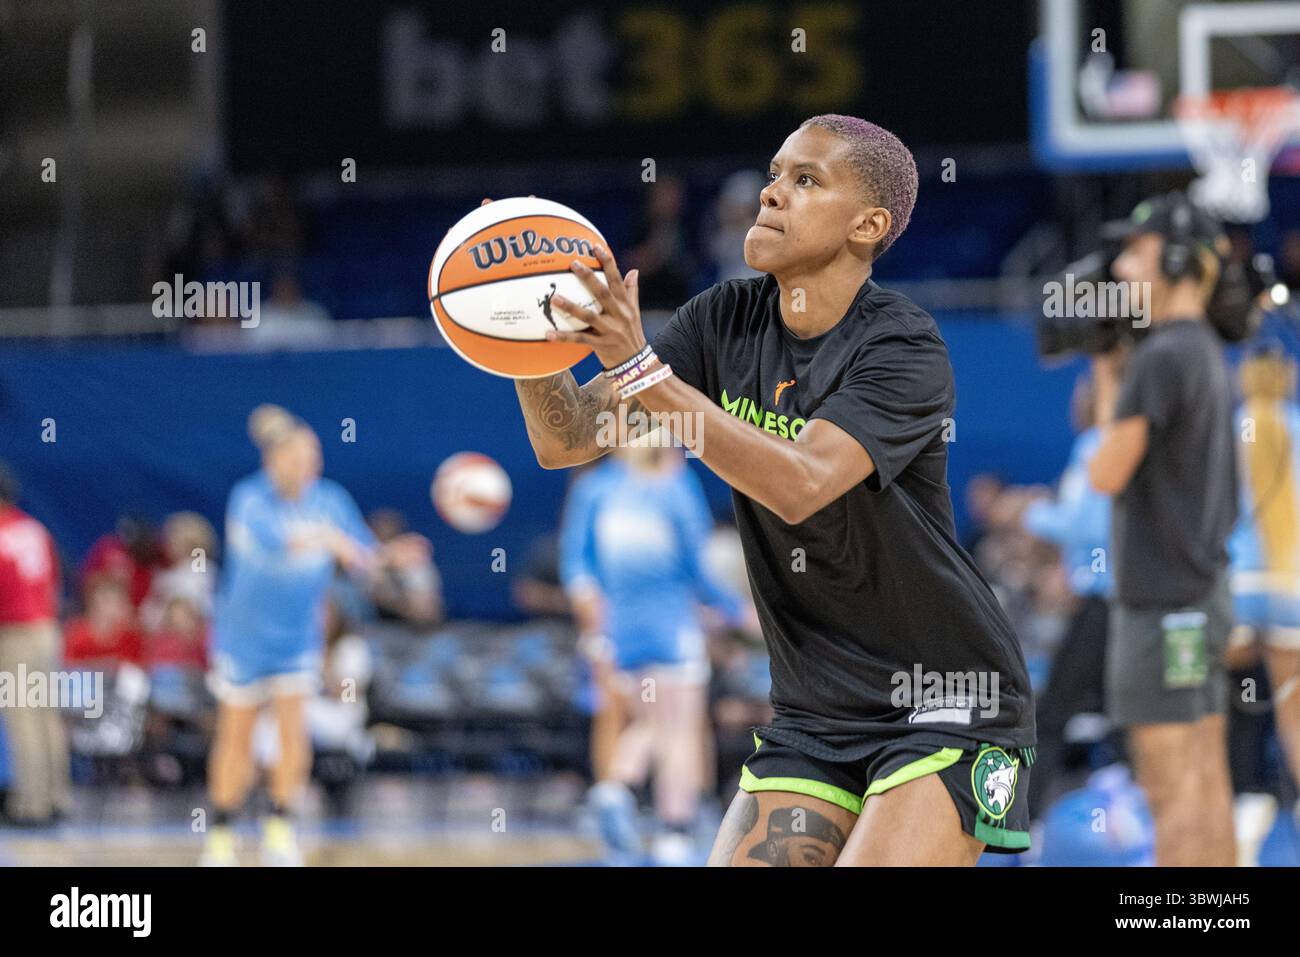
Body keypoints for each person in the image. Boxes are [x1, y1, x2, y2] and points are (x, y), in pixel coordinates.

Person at [504, 113, 1036, 865]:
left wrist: (640, 370)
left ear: (868, 224)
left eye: (806, 180)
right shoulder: (723, 318)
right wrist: (519, 338)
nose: (771, 193)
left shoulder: (901, 343)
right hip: (817, 708)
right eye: (776, 173)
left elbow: (803, 482)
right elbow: (569, 437)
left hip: (949, 697)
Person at [200, 405, 428, 866]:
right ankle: (221, 833)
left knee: (292, 732)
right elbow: (289, 543)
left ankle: (280, 829)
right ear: (273, 460)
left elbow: (361, 556)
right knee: (236, 738)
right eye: (296, 456)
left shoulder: (330, 499)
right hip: (243, 639)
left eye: (313, 456)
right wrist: (333, 542)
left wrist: (391, 557)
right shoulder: (249, 499)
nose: (306, 465)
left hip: (297, 638)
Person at [1088, 192, 1238, 867]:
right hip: (1199, 594)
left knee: (1170, 788)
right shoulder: (1201, 347)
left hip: (1160, 602)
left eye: (1135, 253)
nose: (1120, 269)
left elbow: (1105, 471)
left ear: (1176, 260)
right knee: (1206, 773)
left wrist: (1103, 362)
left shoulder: (1161, 356)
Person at [559, 442, 744, 864]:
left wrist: (595, 625)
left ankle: (614, 788)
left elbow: (576, 567)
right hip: (671, 625)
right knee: (679, 728)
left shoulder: (594, 488)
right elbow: (698, 568)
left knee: (648, 721)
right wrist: (738, 611)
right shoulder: (673, 484)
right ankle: (674, 834)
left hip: (620, 630)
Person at [1227, 343, 1300, 831]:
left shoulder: (1229, 429)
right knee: (1292, 706)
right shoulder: (1296, 425)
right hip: (1291, 582)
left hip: (1237, 583)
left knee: (1223, 697)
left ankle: (1239, 800)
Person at [0, 464, 71, 825]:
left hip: (15, 633)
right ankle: (58, 797)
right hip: (45, 627)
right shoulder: (33, 528)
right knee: (46, 715)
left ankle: (33, 805)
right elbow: (56, 579)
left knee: (22, 717)